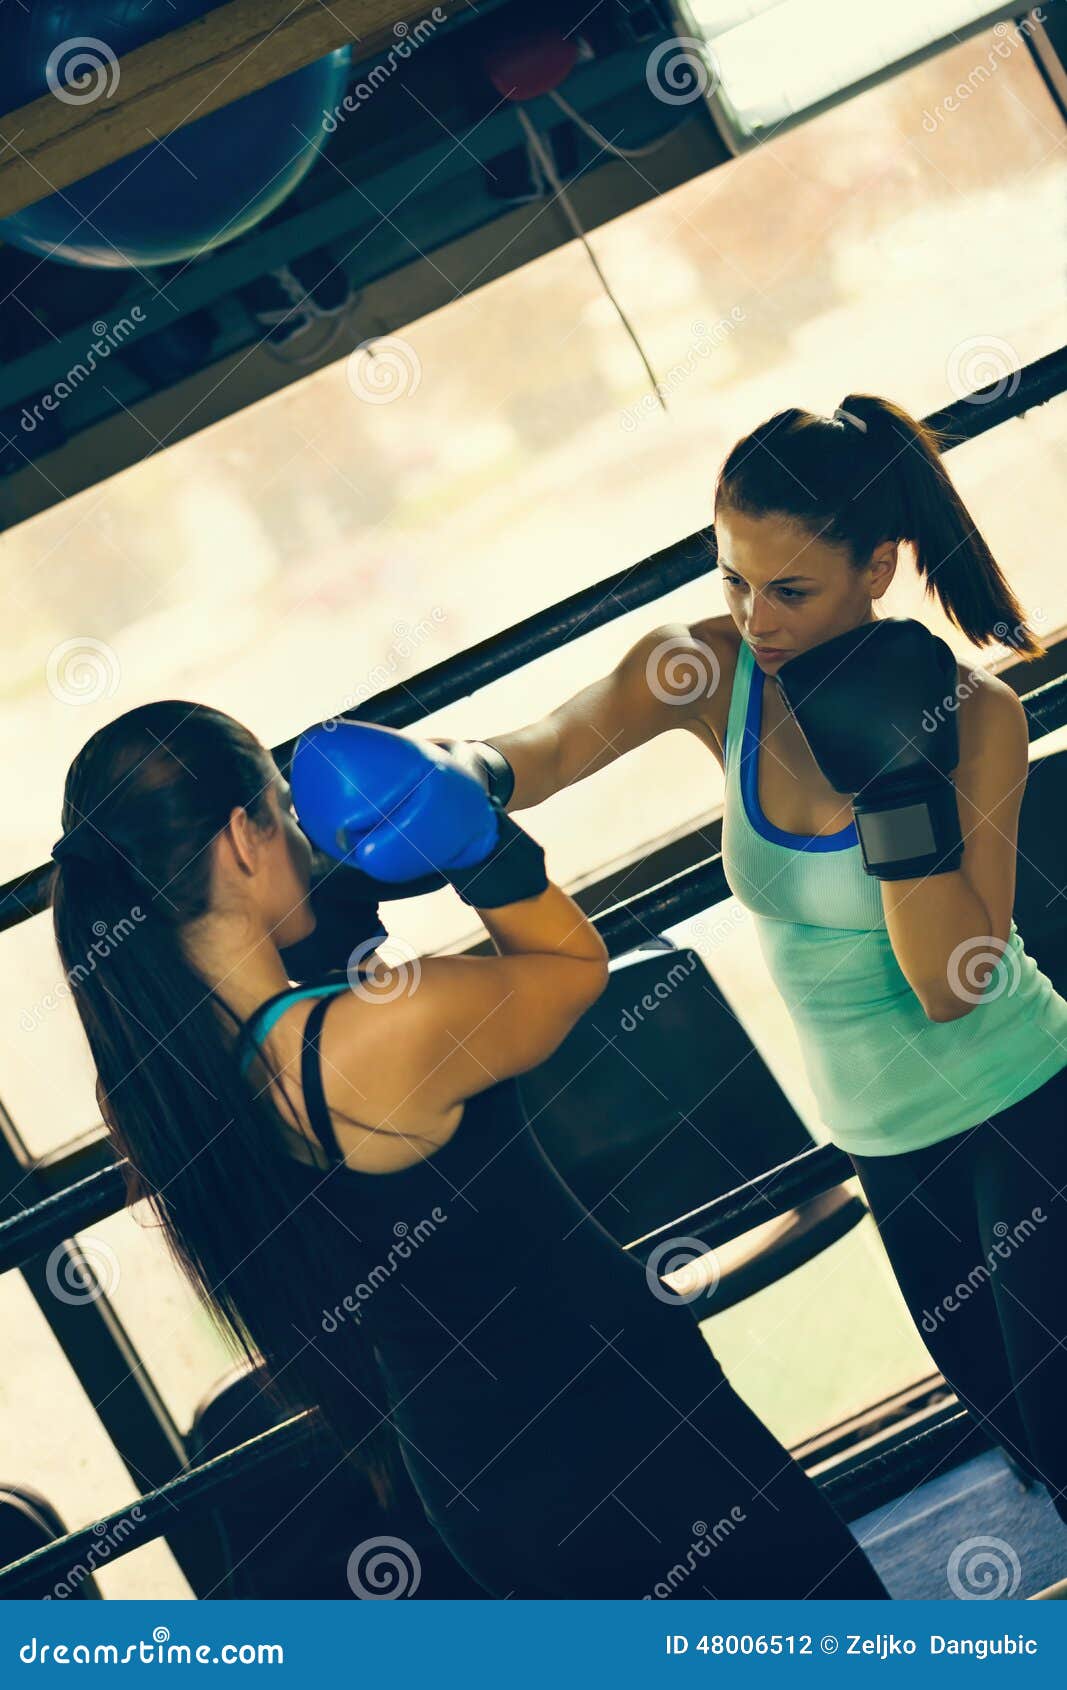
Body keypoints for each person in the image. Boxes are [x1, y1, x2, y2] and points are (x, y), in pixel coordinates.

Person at [49, 702, 888, 1599]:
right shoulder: (365, 1039)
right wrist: (479, 839)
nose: (303, 834)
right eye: (285, 811)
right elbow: (570, 968)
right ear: (243, 839)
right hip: (618, 1434)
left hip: (490, 1475)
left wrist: (340, 908)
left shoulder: (188, 1075)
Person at [454, 394, 1067, 1524]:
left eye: (790, 589)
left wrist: (893, 782)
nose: (756, 615)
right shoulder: (713, 670)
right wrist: (466, 772)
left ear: (876, 568)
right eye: (733, 577)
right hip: (888, 1146)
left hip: (1027, 1108)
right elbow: (551, 742)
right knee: (1014, 1436)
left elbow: (948, 984)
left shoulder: (973, 718)